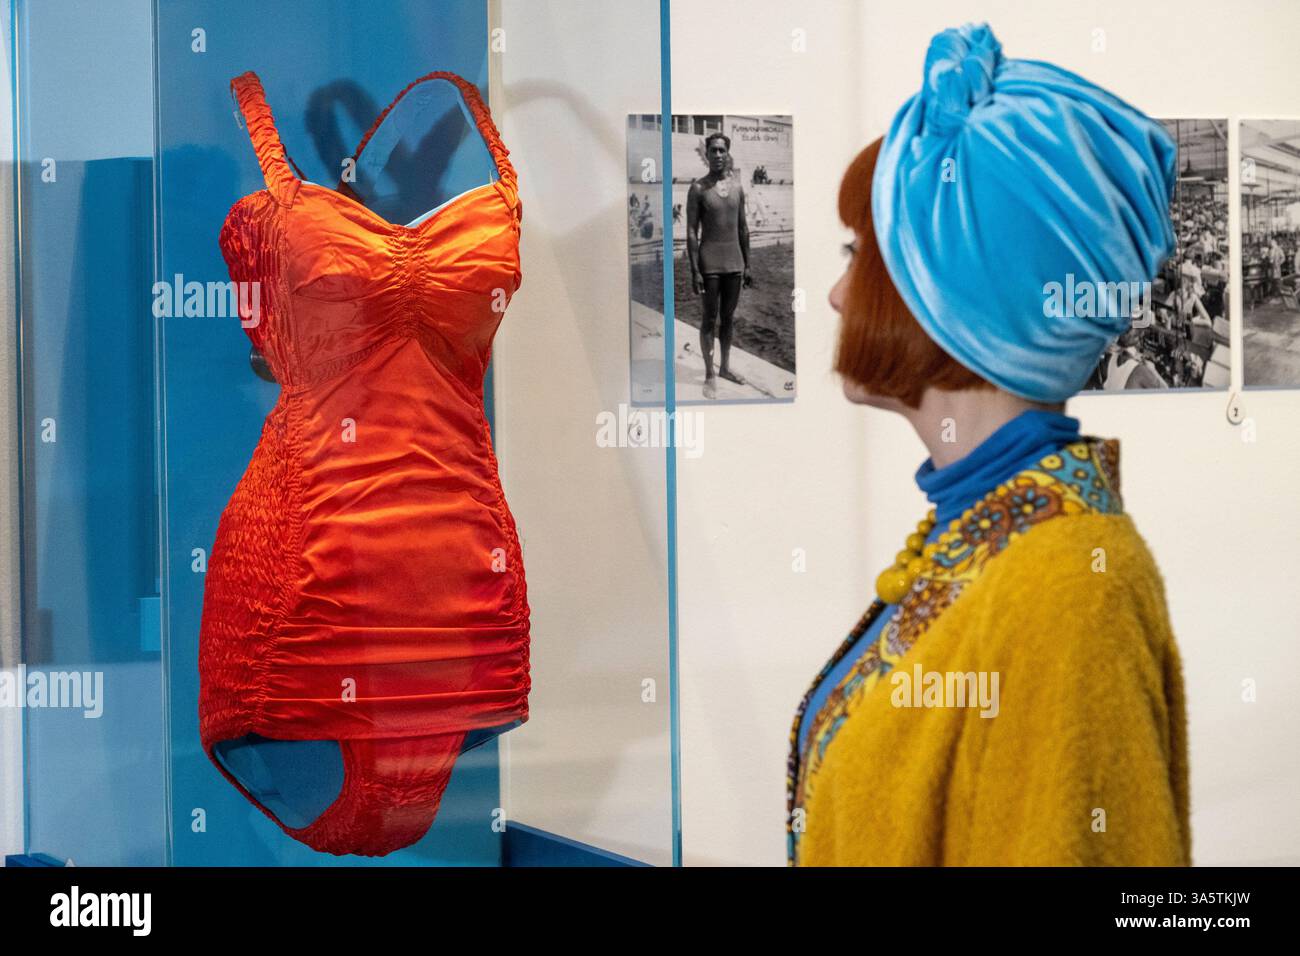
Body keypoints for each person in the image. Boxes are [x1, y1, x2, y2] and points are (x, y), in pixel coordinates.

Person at [787, 22, 1190, 866]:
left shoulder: (1071, 587)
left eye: (859, 255)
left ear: (953, 296)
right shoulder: (991, 538)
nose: (834, 295)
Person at [686, 132, 752, 398]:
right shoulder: (698, 188)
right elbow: (691, 231)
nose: (717, 155)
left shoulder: (737, 187)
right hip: (709, 263)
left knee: (728, 319)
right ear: (706, 154)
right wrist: (694, 269)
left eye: (721, 150)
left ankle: (724, 367)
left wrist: (748, 265)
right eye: (712, 151)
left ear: (728, 153)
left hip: (734, 262)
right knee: (708, 319)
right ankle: (709, 374)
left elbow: (743, 228)